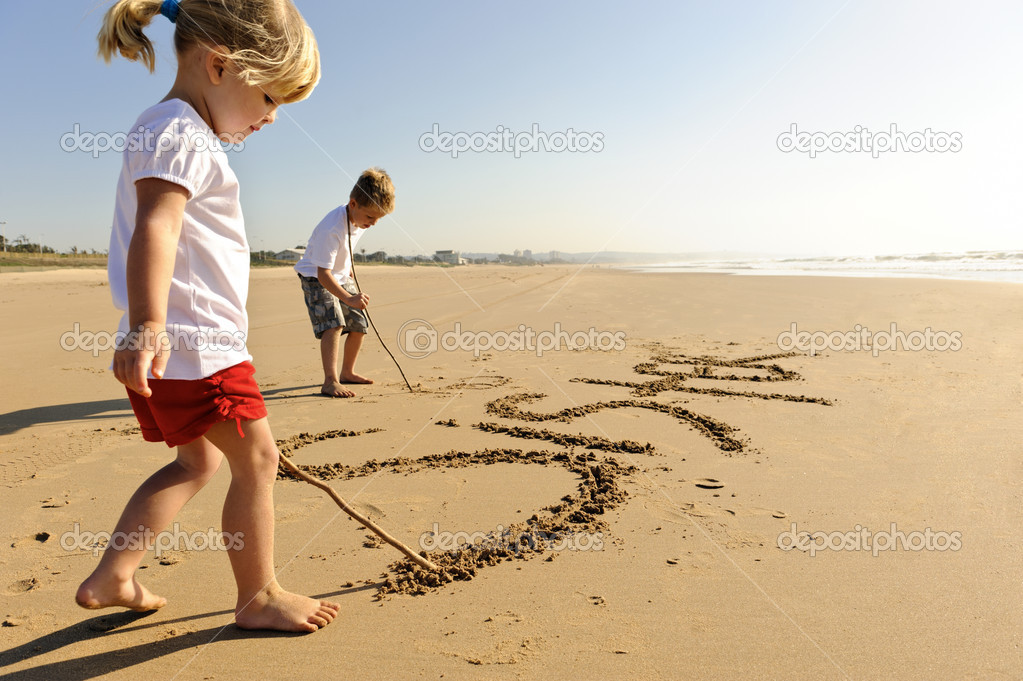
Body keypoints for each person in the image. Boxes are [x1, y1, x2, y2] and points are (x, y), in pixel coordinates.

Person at [75, 0, 339, 632]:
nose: (272, 118)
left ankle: (116, 573)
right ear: (221, 66)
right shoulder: (180, 133)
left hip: (178, 346)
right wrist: (147, 324)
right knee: (259, 462)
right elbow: (156, 228)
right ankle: (258, 597)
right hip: (197, 348)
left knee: (199, 462)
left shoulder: (172, 129)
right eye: (272, 98)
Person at [294, 169, 396, 398]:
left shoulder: (359, 217)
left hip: (339, 275)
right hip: (316, 276)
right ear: (353, 204)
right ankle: (330, 381)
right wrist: (348, 297)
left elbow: (343, 253)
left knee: (359, 322)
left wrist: (347, 272)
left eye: (379, 218)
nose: (374, 223)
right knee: (333, 324)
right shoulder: (332, 228)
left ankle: (347, 372)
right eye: (371, 217)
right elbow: (322, 273)